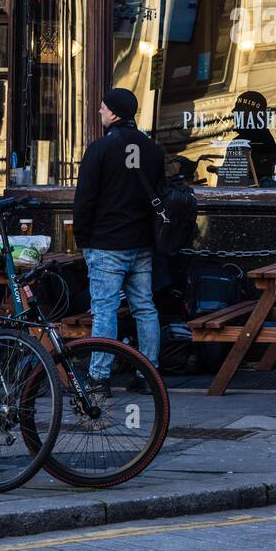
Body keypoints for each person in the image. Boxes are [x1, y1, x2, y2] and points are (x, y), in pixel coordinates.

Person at [72, 86, 164, 391]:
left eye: (101, 108)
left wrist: (82, 237)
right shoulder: (151, 149)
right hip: (142, 243)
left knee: (104, 310)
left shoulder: (99, 149)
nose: (99, 112)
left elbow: (84, 199)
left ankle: (99, 376)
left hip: (106, 244)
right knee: (145, 307)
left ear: (113, 113)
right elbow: (160, 193)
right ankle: (148, 374)